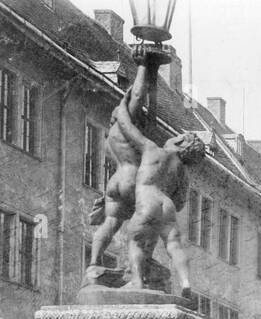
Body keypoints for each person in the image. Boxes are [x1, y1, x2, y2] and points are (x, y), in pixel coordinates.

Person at [89, 48, 207, 296]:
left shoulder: (149, 148)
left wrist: (123, 105)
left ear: (179, 143)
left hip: (126, 184)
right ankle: (185, 282)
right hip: (163, 203)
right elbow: (181, 201)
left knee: (124, 231)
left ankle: (103, 268)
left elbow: (131, 119)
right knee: (173, 243)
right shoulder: (182, 171)